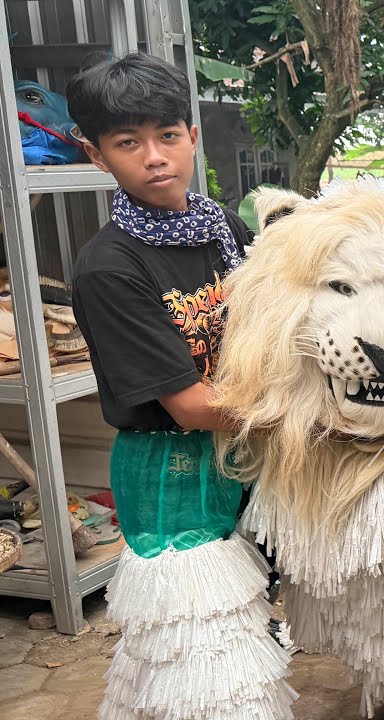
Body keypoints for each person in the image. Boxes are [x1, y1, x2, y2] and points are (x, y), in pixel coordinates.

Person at [67, 53, 293, 718]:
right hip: (172, 469)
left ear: (192, 136)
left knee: (225, 633)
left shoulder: (226, 229)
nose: (155, 157)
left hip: (246, 451)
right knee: (204, 649)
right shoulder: (108, 269)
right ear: (98, 155)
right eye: (127, 143)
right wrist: (308, 411)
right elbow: (191, 407)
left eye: (167, 136)